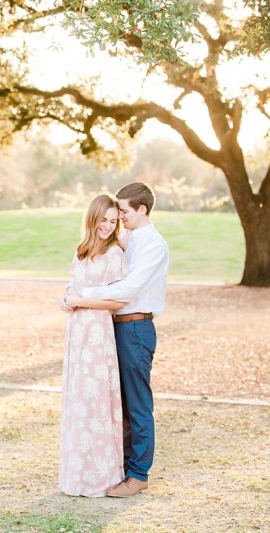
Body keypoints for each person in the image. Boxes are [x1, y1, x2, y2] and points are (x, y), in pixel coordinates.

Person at [81, 182, 170, 498]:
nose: (118, 215)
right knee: (117, 403)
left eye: (123, 209)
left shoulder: (154, 247)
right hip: (113, 327)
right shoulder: (125, 239)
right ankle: (120, 467)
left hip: (136, 328)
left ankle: (138, 474)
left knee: (137, 404)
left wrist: (83, 296)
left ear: (142, 210)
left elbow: (128, 290)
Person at [58, 194, 129, 497]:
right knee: (79, 401)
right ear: (93, 217)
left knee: (97, 399)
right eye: (104, 219)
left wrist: (80, 300)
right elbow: (72, 287)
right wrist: (66, 298)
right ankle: (78, 472)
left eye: (114, 221)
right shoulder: (82, 251)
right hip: (78, 334)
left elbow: (118, 300)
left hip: (99, 334)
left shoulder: (116, 254)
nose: (108, 226)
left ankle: (100, 473)